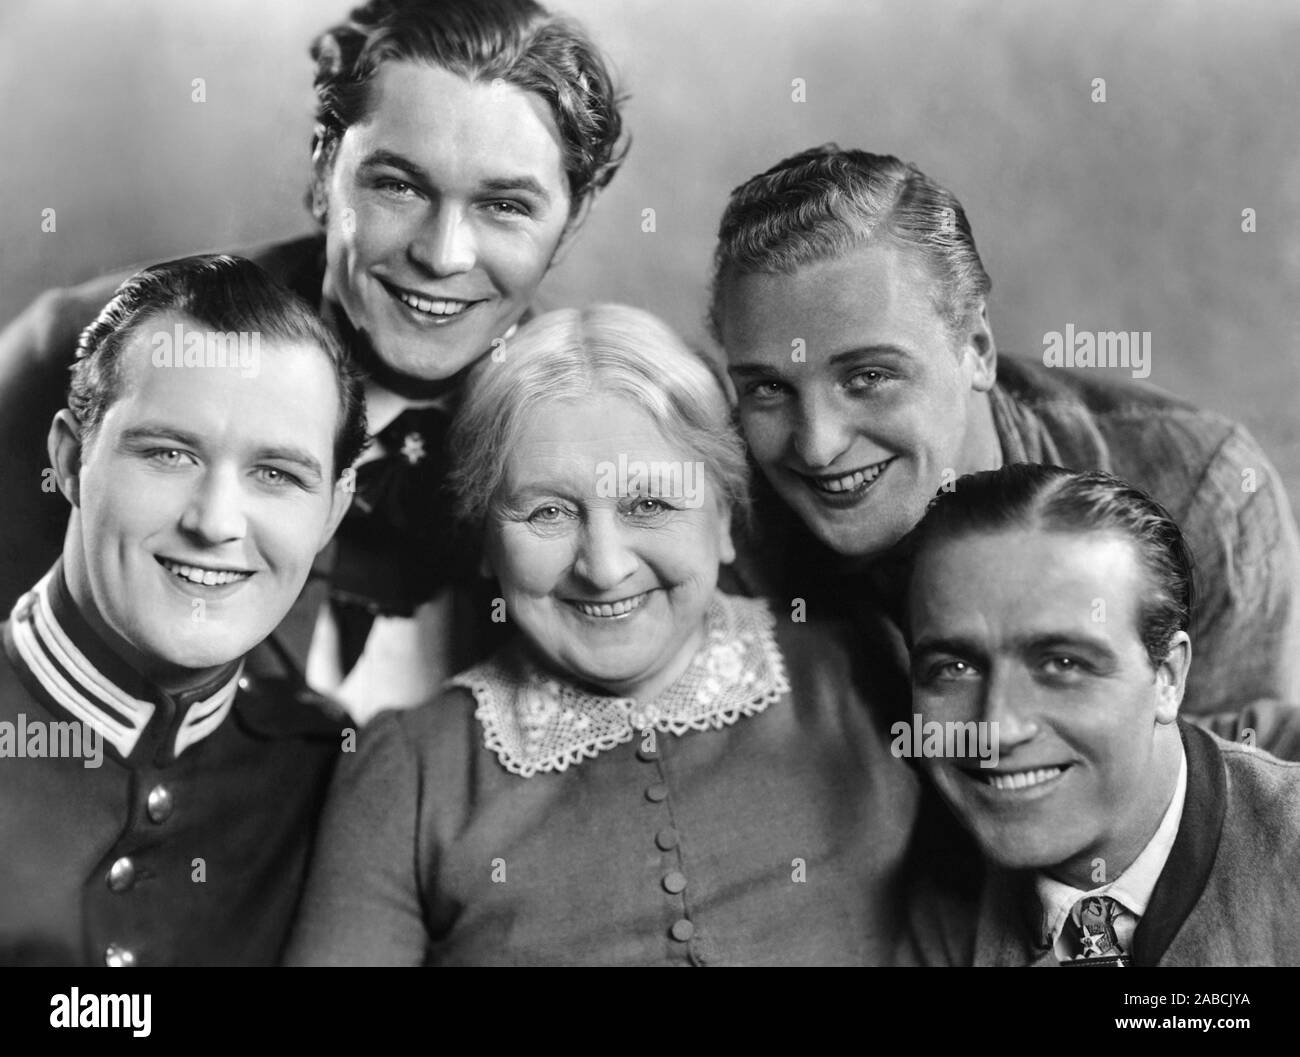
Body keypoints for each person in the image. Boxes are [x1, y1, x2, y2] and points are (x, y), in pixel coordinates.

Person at [0, 0, 627, 722]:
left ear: (573, 219)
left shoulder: (620, 438)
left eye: (505, 207)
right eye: (398, 185)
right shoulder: (84, 356)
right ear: (326, 165)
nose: (442, 255)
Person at [285, 305, 919, 966]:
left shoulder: (868, 673)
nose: (605, 566)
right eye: (549, 512)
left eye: (650, 503)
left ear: (726, 514)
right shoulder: (406, 773)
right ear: (483, 540)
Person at [709, 144, 1300, 716]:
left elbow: (1238, 800)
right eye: (767, 388)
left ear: (977, 349)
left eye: (868, 376)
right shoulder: (718, 518)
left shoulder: (1204, 491)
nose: (817, 445)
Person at [0, 254, 366, 966]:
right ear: (71, 461)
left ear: (332, 512)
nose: (216, 522)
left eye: (276, 474)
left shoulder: (325, 768)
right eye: (169, 454)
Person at [900, 465, 1300, 966]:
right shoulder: (906, 887)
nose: (997, 730)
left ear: (1168, 678)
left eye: (1063, 664)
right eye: (953, 667)